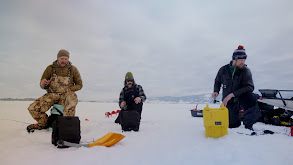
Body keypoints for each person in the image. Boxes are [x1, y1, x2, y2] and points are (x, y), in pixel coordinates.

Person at [27, 49, 83, 132]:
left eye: (66, 59)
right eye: (62, 58)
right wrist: (43, 84)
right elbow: (43, 84)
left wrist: (68, 89)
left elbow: (79, 85)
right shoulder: (50, 68)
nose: (64, 61)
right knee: (32, 108)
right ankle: (44, 123)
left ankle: (67, 126)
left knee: (72, 97)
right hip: (52, 95)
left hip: (66, 95)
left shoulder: (73, 69)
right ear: (57, 58)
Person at [212, 45, 260, 130]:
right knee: (232, 125)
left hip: (241, 99)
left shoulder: (245, 71)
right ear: (234, 59)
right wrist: (216, 91)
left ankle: (248, 126)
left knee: (251, 97)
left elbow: (250, 87)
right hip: (229, 102)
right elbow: (218, 81)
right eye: (241, 60)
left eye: (244, 60)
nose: (243, 62)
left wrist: (232, 94)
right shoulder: (223, 69)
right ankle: (236, 119)